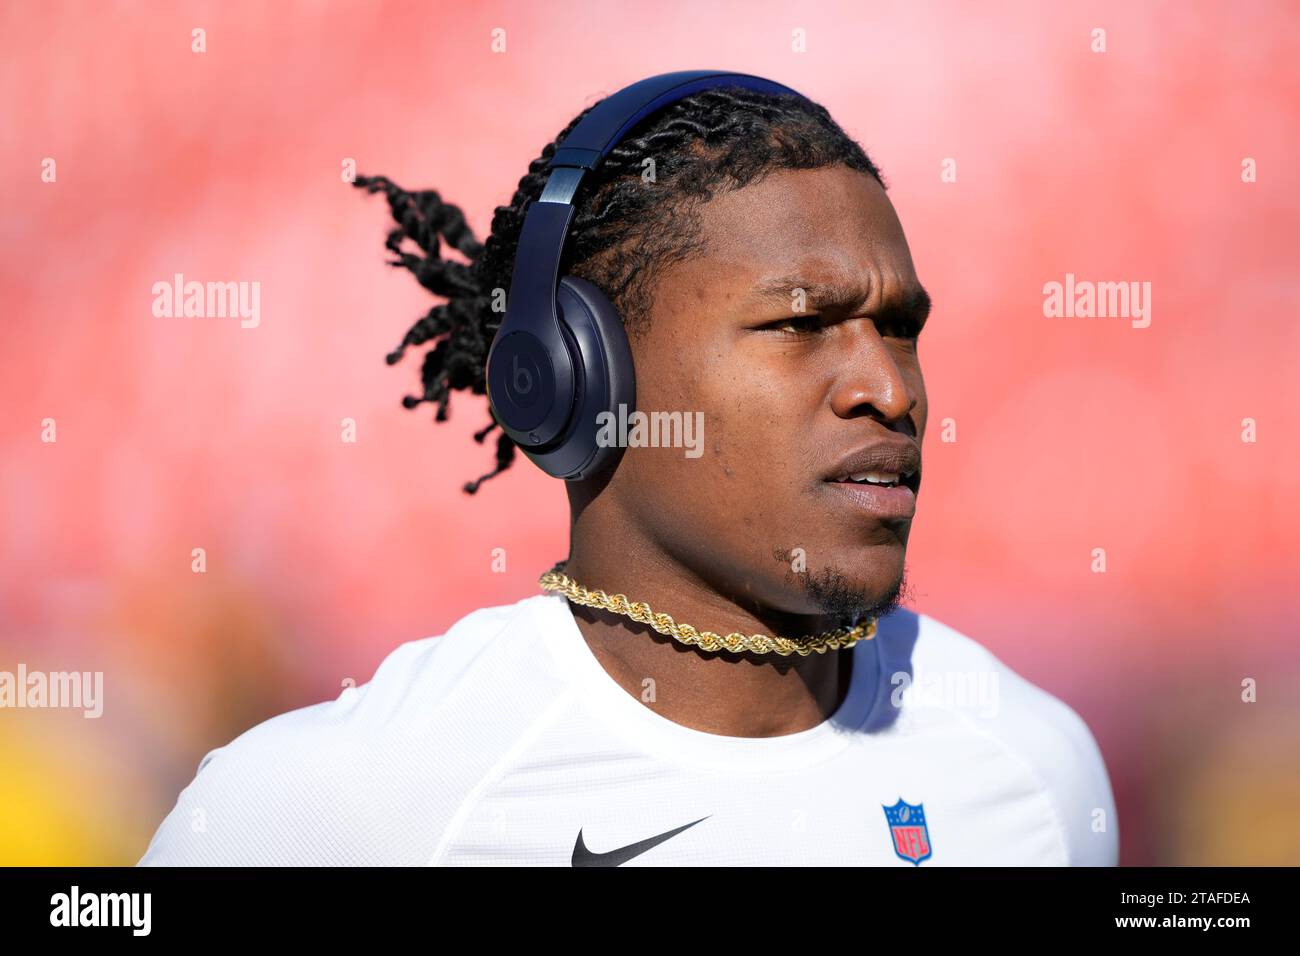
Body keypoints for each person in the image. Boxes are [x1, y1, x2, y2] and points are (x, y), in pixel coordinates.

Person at [139, 72, 1118, 866]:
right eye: (799, 323)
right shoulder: (329, 806)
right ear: (571, 373)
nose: (888, 389)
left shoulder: (1033, 766)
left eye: (898, 329)